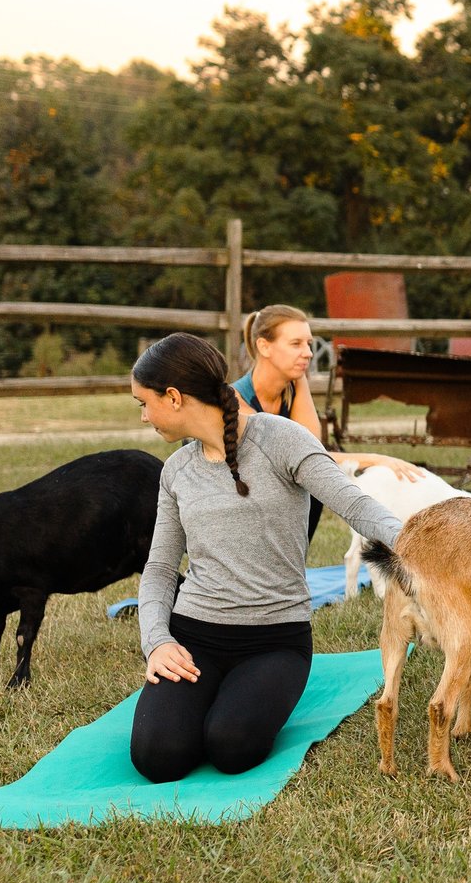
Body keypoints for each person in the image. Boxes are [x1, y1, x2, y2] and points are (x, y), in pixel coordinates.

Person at [127, 332, 404, 783]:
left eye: (143, 402)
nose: (143, 416)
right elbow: (160, 568)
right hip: (194, 637)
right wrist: (158, 641)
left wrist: (422, 541)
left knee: (231, 748)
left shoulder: (280, 440)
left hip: (274, 641)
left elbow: (354, 504)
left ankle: (239, 702)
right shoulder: (176, 471)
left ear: (173, 397)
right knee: (158, 758)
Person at [233, 305, 427, 537]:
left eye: (308, 343)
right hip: (237, 507)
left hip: (273, 496)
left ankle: (294, 565)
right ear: (264, 346)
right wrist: (375, 459)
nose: (308, 353)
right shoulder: (236, 401)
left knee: (314, 483)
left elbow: (312, 451)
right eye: (296, 344)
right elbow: (302, 458)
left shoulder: (295, 383)